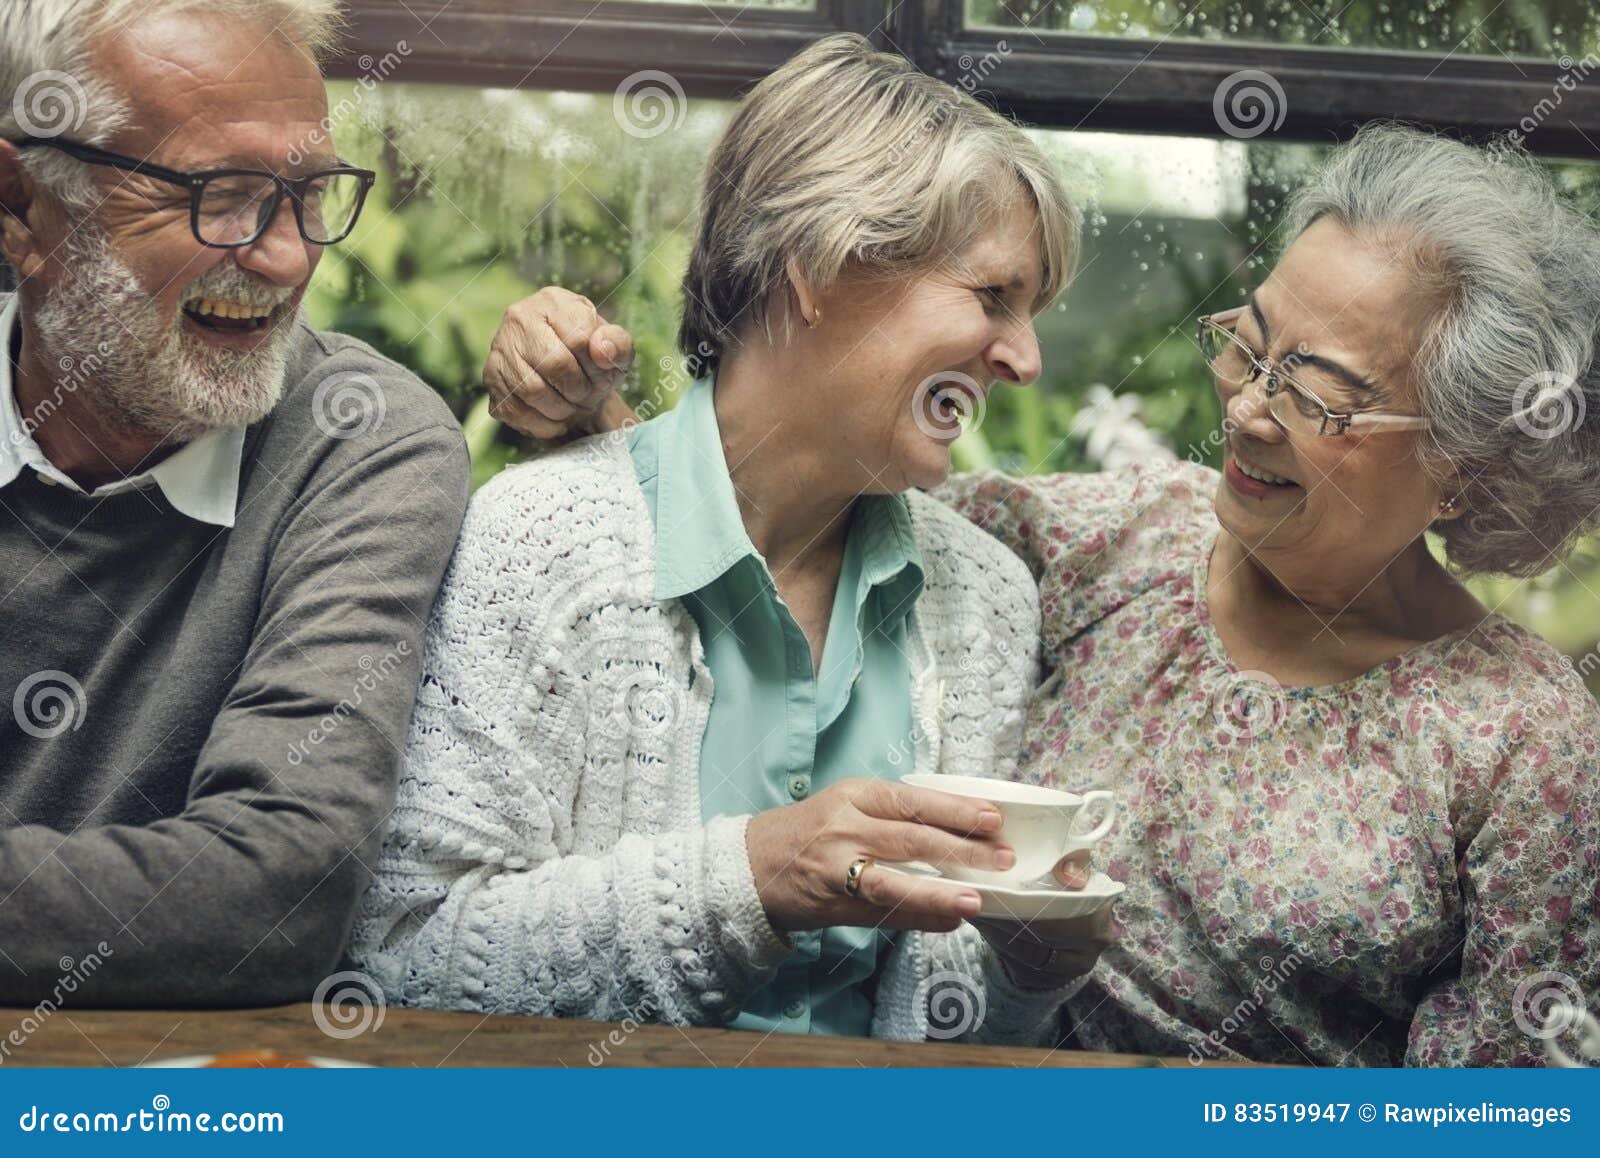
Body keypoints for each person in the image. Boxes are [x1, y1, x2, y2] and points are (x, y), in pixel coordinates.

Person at [490, 122, 1600, 1065]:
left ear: (1463, 457)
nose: (1249, 412)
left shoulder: (1521, 739)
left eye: (1318, 393)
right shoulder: (1105, 544)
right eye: (1247, 349)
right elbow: (779, 491)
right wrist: (580, 400)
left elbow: (1506, 1114)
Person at [350, 34, 1106, 1044]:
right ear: (821, 267)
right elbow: (402, 959)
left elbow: (953, 1041)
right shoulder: (537, 544)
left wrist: (1033, 961)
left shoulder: (983, 598)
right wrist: (754, 878)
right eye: (992, 298)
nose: (1023, 359)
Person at [0, 0, 617, 1006]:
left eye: (308, 196)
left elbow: (275, 888)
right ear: (21, 206)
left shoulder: (360, 440)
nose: (286, 257)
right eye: (220, 195)